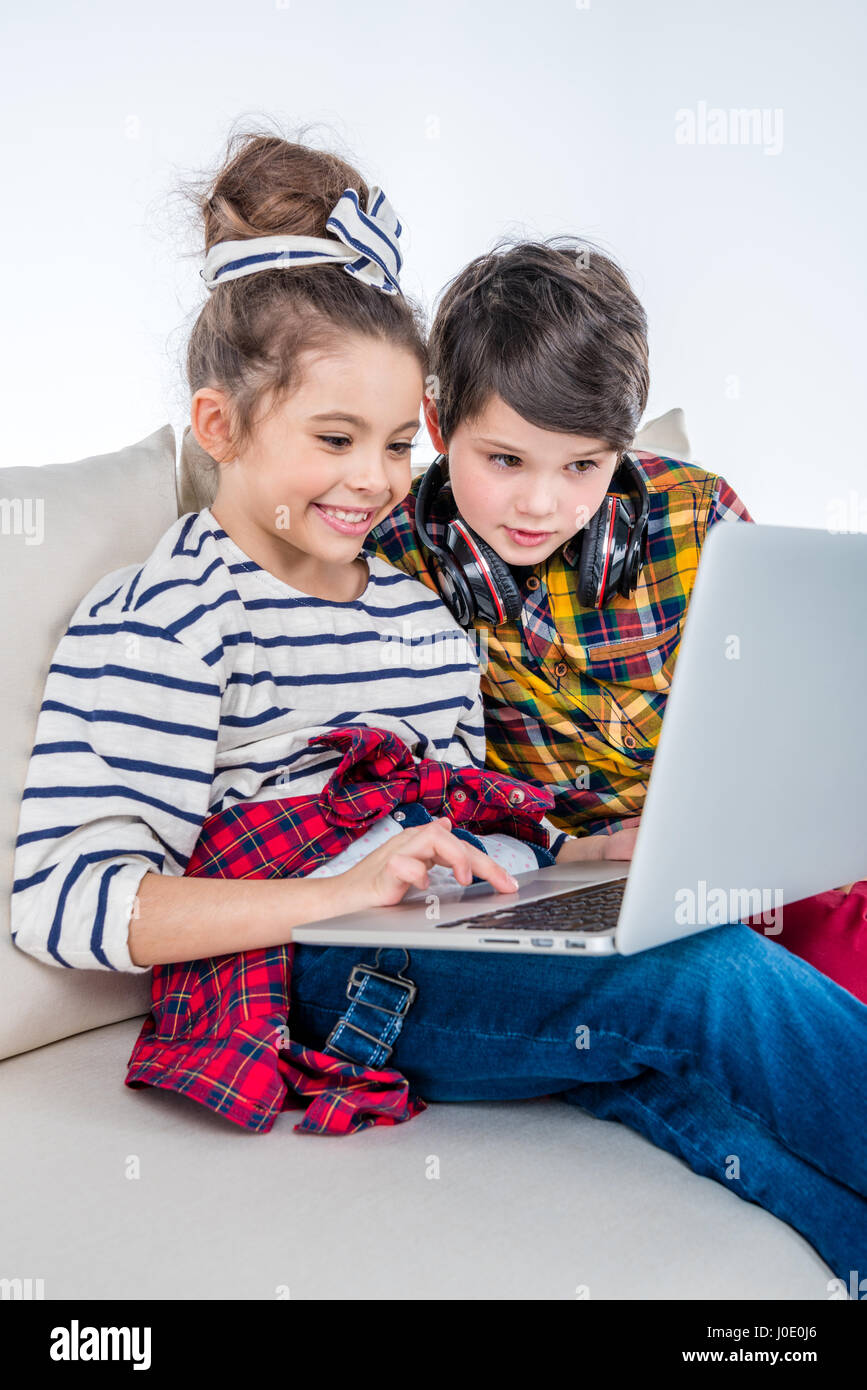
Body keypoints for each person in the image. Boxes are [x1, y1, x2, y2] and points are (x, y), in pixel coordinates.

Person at [9, 128, 867, 1285]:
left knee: (658, 1063)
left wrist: (590, 851)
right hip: (320, 960)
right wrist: (343, 889)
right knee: (705, 974)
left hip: (446, 933)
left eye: (396, 444)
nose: (373, 479)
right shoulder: (167, 616)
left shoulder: (415, 609)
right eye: (334, 439)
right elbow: (61, 903)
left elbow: (475, 821)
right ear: (219, 429)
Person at [361, 238, 867, 1006]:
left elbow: (789, 722)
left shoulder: (696, 517)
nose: (540, 504)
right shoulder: (389, 553)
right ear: (436, 422)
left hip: (732, 866)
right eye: (504, 461)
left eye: (581, 466)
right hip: (559, 880)